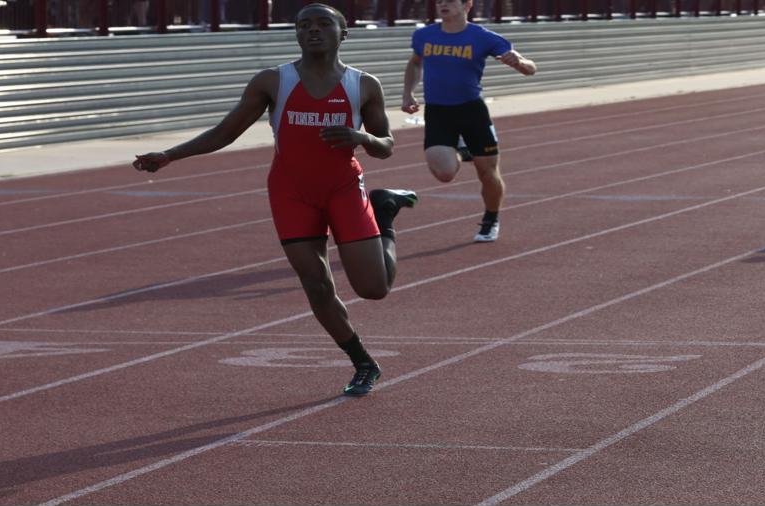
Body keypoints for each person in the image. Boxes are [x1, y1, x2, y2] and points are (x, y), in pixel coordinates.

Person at [133, 4, 417, 398]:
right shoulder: (273, 81)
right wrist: (170, 155)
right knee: (317, 285)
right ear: (296, 34)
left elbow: (385, 146)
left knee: (373, 289)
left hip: (342, 189)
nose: (312, 30)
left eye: (323, 23)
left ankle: (384, 212)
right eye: (304, 25)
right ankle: (363, 362)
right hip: (291, 193)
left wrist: (362, 137)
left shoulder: (363, 85)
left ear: (343, 33)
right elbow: (226, 132)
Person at [402, 0, 537, 243]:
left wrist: (519, 61)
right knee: (444, 173)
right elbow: (415, 62)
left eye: (450, 1)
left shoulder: (482, 37)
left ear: (467, 5)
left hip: (472, 112)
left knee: (487, 172)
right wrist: (408, 93)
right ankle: (462, 150)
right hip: (438, 112)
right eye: (439, 1)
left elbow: (531, 69)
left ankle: (491, 219)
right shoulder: (424, 35)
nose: (443, 5)